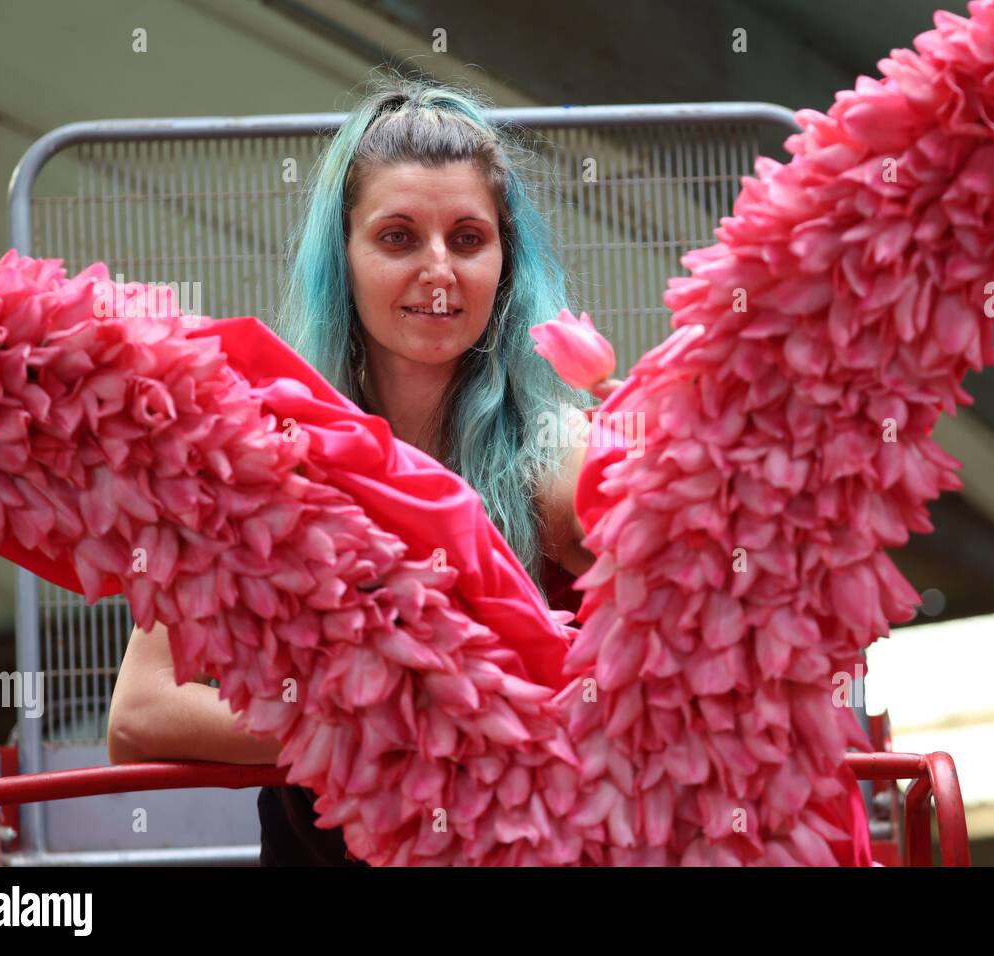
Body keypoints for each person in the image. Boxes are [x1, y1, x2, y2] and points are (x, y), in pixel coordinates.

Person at [107, 74, 617, 865]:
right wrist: (384, 724)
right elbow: (139, 716)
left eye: (470, 239)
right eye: (398, 237)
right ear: (340, 258)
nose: (440, 269)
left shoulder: (555, 452)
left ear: (507, 266)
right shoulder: (254, 448)